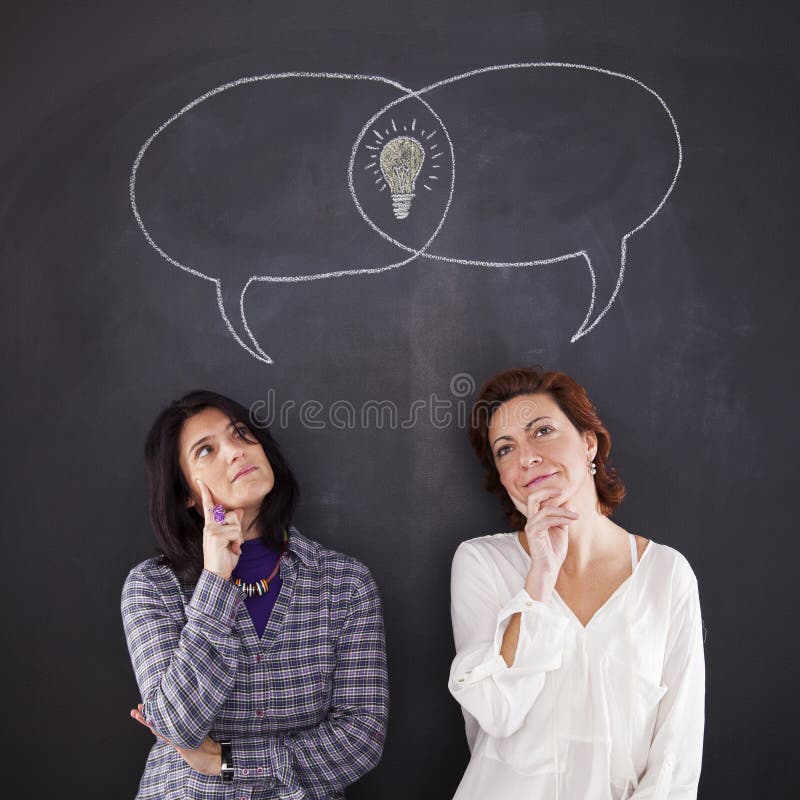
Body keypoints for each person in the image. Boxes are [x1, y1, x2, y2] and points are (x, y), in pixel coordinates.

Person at [449, 368, 704, 800]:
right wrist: (539, 580)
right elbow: (495, 712)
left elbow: (675, 758)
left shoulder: (666, 574)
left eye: (542, 431)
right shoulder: (481, 562)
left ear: (589, 443)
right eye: (505, 448)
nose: (526, 457)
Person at [121, 390, 388, 799]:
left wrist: (224, 760)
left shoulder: (345, 583)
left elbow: (361, 738)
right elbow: (177, 726)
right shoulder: (152, 587)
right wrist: (215, 581)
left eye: (240, 433)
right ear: (185, 493)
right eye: (206, 450)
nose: (235, 451)